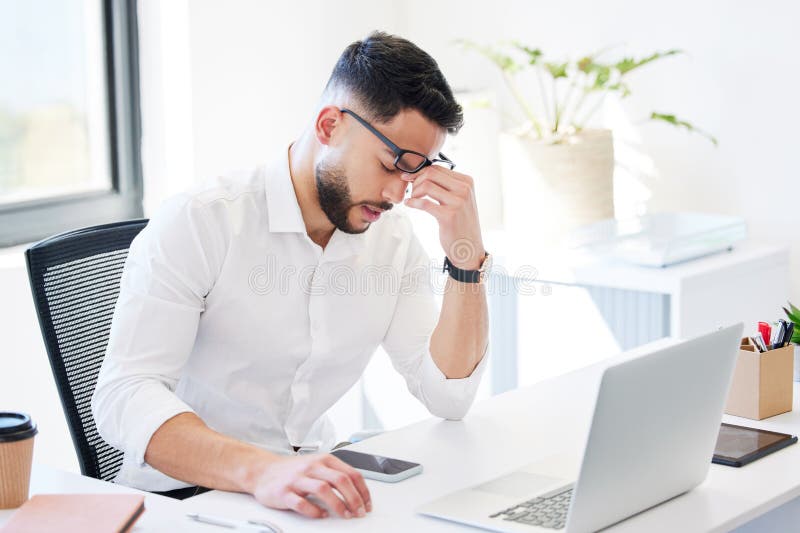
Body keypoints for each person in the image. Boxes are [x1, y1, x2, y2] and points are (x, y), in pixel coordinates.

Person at [91, 30, 490, 520]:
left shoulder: (393, 241)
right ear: (329, 125)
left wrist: (466, 259)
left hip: (308, 492)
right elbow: (123, 394)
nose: (397, 194)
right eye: (392, 165)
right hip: (184, 500)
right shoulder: (204, 220)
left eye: (416, 173)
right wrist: (263, 471)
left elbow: (448, 395)